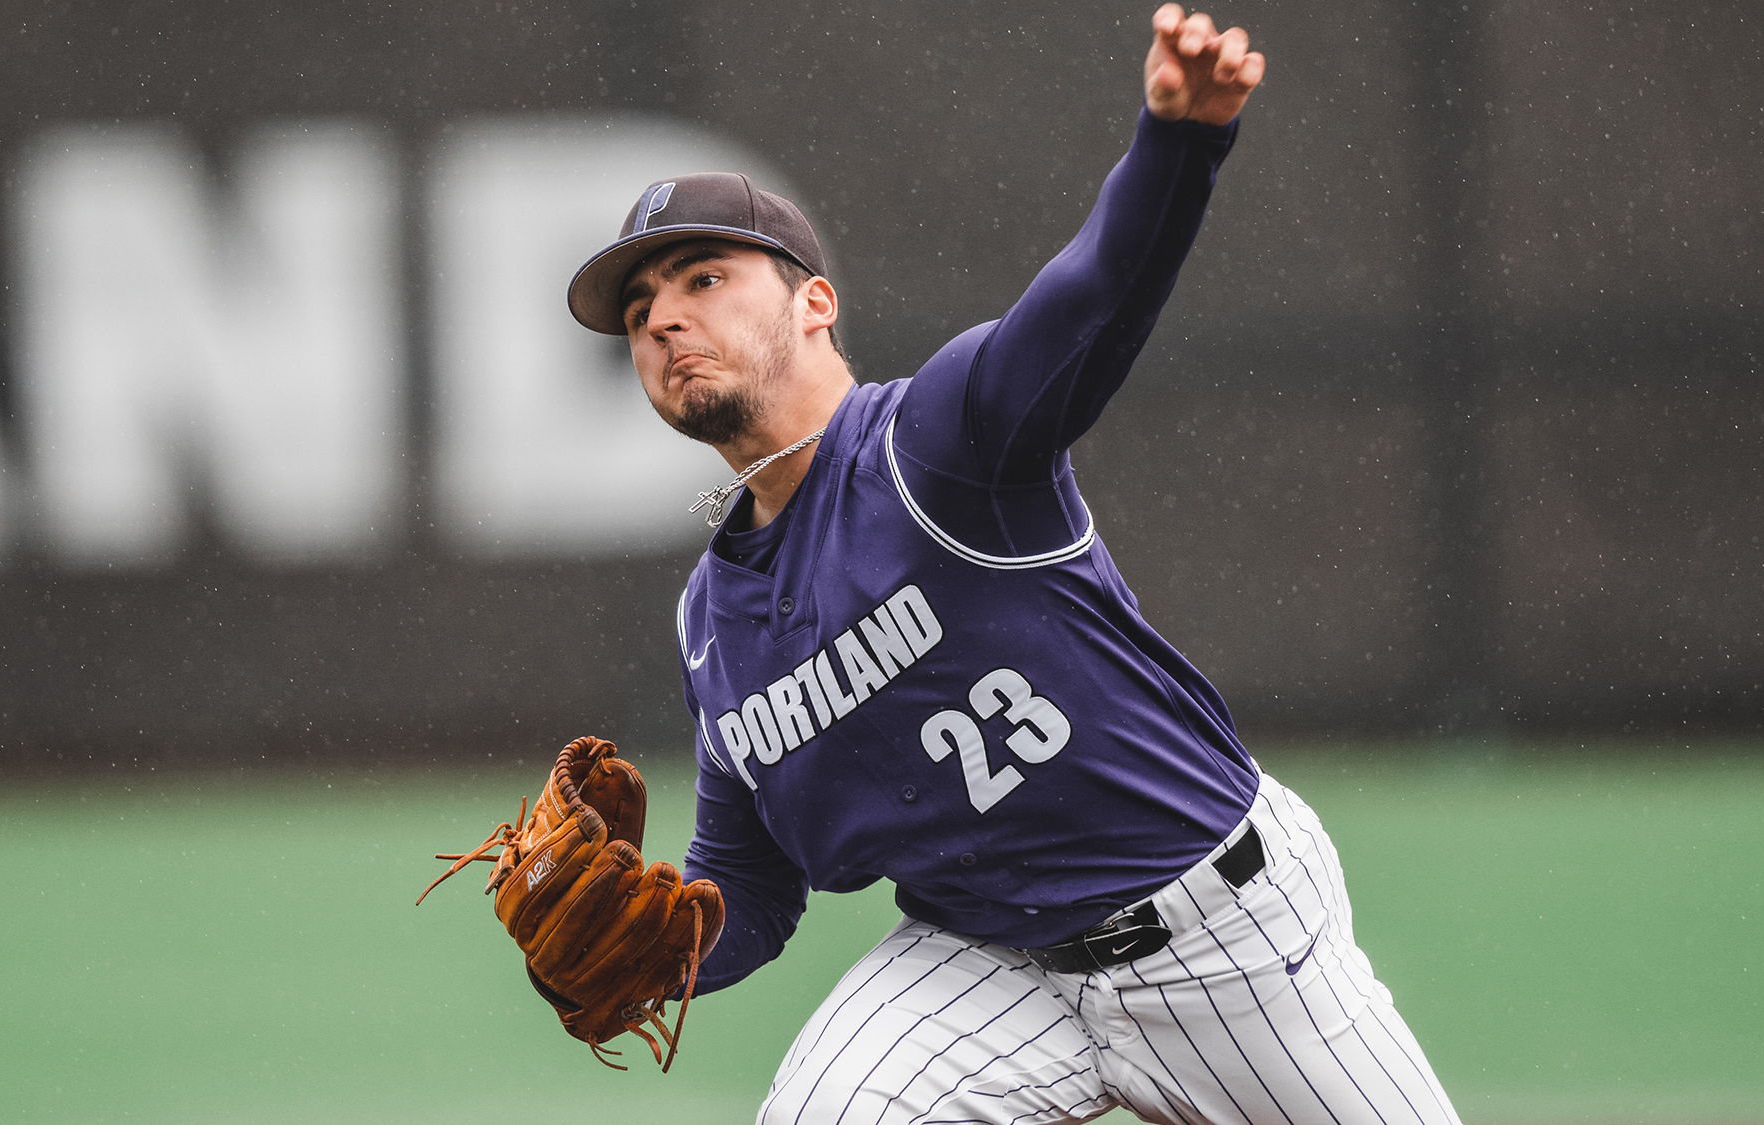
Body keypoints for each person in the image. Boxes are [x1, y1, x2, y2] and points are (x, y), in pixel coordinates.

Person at [564, 6, 1462, 1122]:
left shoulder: (934, 445)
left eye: (702, 278)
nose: (661, 320)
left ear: (814, 301)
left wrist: (1179, 141)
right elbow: (746, 881)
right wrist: (657, 954)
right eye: (640, 309)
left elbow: (1092, 296)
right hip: (983, 965)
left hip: (1220, 938)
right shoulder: (711, 620)